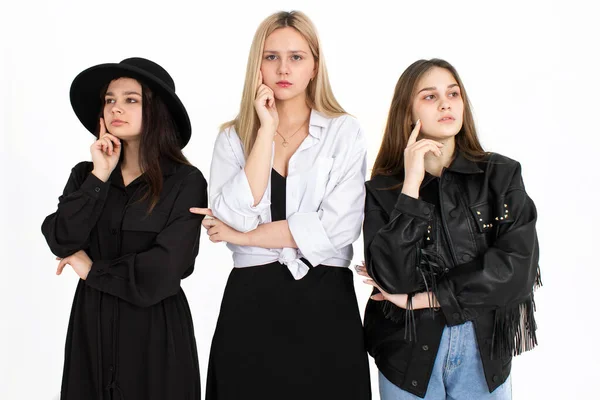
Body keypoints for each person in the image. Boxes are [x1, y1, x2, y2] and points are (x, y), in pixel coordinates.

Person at [190, 10, 371, 400]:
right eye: (271, 57)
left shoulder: (343, 131)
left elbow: (338, 229)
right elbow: (229, 215)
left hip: (326, 300)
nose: (283, 68)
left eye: (296, 57)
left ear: (314, 66)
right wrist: (265, 131)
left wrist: (244, 235)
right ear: (257, 65)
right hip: (251, 301)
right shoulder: (233, 138)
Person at [356, 58, 541, 399]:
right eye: (429, 96)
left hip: (484, 354)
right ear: (406, 112)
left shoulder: (501, 175)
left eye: (453, 93)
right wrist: (410, 186)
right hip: (408, 356)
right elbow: (394, 280)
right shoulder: (382, 191)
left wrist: (427, 298)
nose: (445, 103)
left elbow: (517, 269)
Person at [42, 57, 207, 400]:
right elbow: (60, 238)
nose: (117, 108)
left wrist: (92, 270)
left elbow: (166, 269)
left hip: (155, 334)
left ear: (156, 111)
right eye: (110, 100)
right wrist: (100, 175)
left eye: (131, 100)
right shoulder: (86, 175)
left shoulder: (185, 181)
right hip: (93, 328)